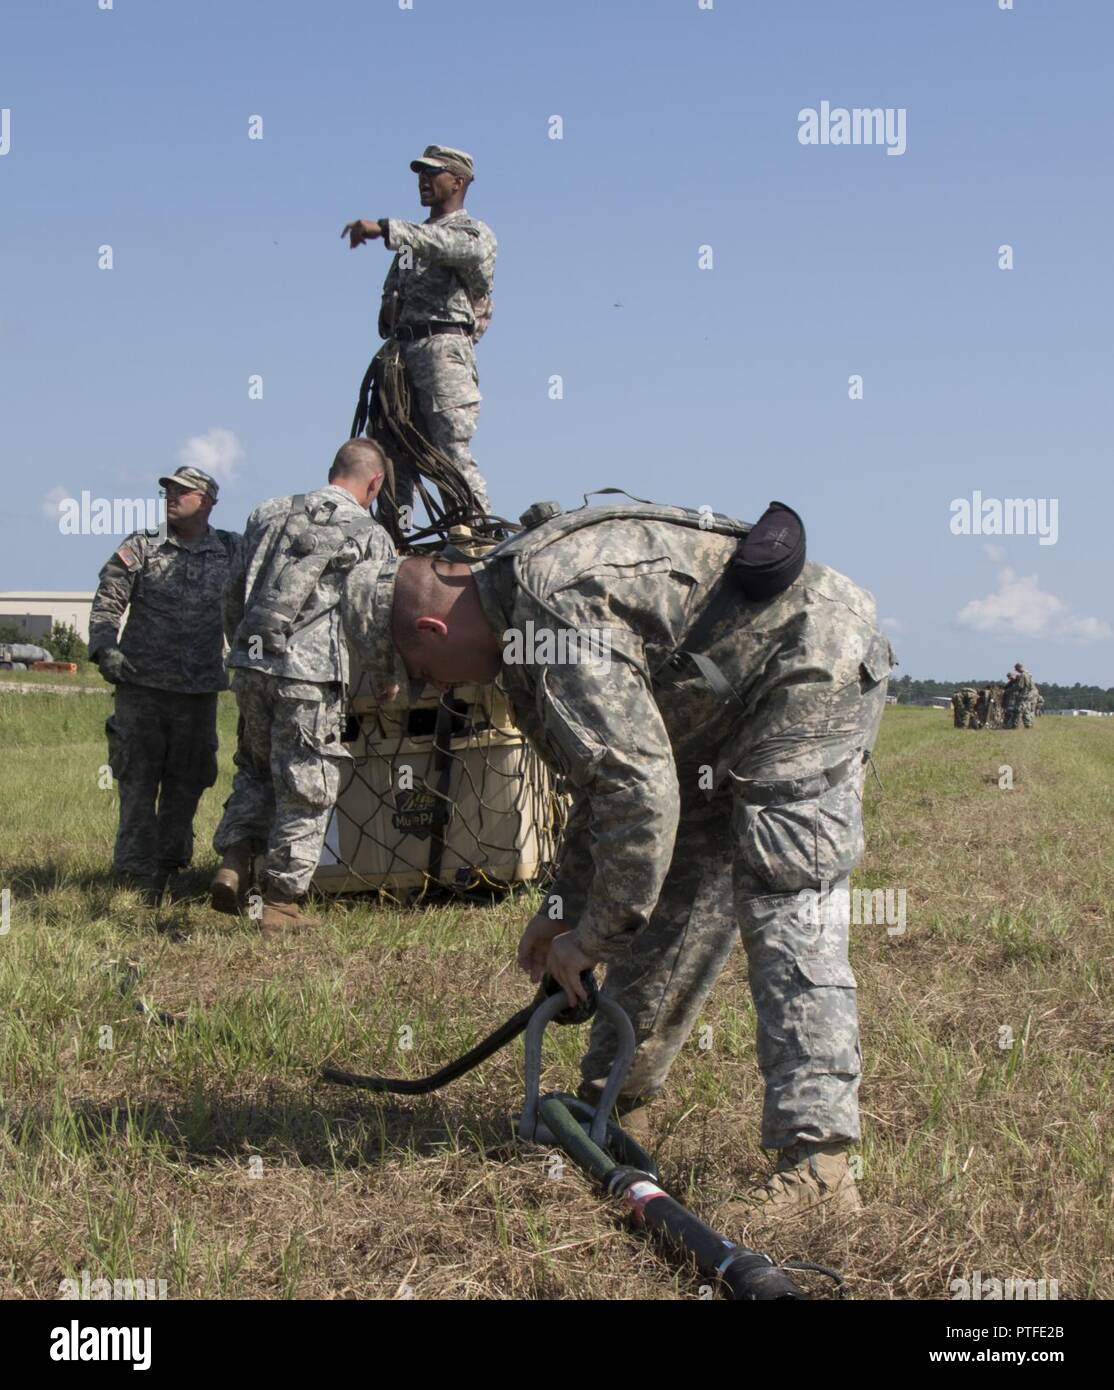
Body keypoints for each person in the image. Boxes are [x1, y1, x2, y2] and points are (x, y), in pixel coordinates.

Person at [342, 497, 895, 1220]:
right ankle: (613, 1106)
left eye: (424, 673)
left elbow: (639, 798)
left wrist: (593, 937)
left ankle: (819, 1167)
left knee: (785, 899)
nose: (441, 691)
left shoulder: (552, 608)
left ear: (430, 626)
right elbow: (601, 789)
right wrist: (562, 911)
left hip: (808, 664)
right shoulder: (519, 633)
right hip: (715, 709)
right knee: (688, 893)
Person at [211, 439, 395, 931]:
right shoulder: (371, 534)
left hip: (251, 664)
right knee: (306, 783)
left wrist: (243, 651)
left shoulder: (268, 512)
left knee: (253, 768)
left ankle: (234, 859)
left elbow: (232, 591)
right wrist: (384, 675)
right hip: (308, 678)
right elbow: (369, 617)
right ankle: (280, 902)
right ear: (374, 483)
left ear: (332, 469)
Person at [88, 466, 240, 898]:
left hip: (198, 692)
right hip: (143, 688)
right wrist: (105, 648)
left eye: (183, 490)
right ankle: (135, 873)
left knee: (188, 781)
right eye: (168, 490)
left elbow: (253, 604)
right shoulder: (142, 546)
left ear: (207, 501)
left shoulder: (231, 550)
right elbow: (107, 603)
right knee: (137, 778)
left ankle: (171, 868)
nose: (172, 495)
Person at [342, 144, 496, 523]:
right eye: (420, 175)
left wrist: (386, 228)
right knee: (394, 453)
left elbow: (452, 248)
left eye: (433, 173)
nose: (423, 181)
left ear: (457, 181)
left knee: (449, 448)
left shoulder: (472, 232)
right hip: (402, 352)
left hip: (443, 348)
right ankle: (398, 536)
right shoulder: (415, 238)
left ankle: (473, 533)